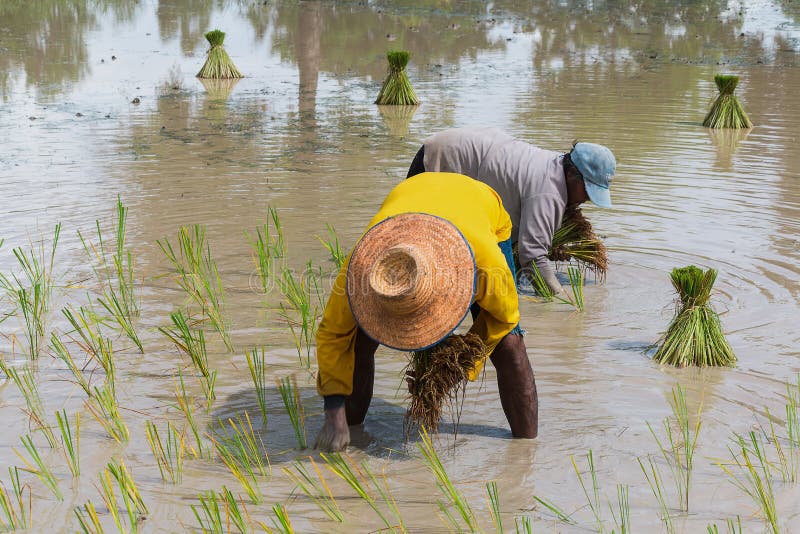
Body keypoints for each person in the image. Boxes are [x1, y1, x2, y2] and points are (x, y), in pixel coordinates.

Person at [314, 171, 537, 452]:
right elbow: (333, 335)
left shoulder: (484, 262)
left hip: (479, 205)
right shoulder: (361, 267)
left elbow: (505, 317)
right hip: (410, 194)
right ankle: (349, 434)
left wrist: (457, 364)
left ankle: (527, 450)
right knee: (359, 339)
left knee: (510, 345)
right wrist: (334, 412)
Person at [407, 126, 616, 295]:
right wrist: (558, 298)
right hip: (441, 161)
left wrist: (550, 245)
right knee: (417, 254)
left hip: (459, 148)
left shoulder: (556, 164)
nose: (587, 199)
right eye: (588, 191)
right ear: (573, 175)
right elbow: (532, 256)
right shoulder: (548, 192)